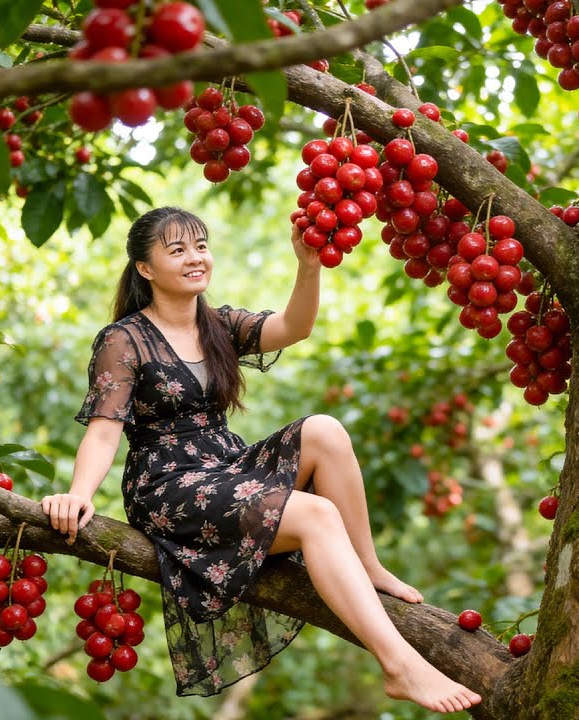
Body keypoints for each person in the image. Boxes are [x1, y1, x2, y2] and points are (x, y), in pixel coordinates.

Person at [40, 207, 480, 713]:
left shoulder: (218, 324)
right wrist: (79, 495)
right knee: (317, 514)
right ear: (144, 268)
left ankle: (368, 564)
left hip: (226, 466)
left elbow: (294, 327)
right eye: (177, 249)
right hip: (168, 487)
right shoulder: (124, 339)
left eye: (200, 246)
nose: (194, 258)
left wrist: (308, 265)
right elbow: (104, 432)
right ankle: (400, 666)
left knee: (326, 430)